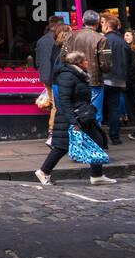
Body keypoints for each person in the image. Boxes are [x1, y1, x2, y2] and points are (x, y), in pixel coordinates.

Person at [36, 50, 115, 186]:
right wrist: (73, 121)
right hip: (72, 116)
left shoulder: (79, 75)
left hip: (83, 115)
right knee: (61, 146)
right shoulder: (68, 76)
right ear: (78, 63)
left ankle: (97, 175)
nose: (87, 63)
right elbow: (65, 100)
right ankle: (43, 172)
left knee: (97, 140)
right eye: (85, 61)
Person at [67, 10, 106, 126]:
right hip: (94, 80)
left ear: (83, 21)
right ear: (98, 22)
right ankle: (94, 141)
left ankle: (80, 141)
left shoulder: (71, 36)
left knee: (77, 112)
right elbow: (106, 64)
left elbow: (63, 58)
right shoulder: (101, 38)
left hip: (73, 80)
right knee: (95, 113)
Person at [101, 13, 131, 145]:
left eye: (103, 24)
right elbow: (128, 61)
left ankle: (99, 138)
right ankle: (115, 136)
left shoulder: (104, 40)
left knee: (97, 108)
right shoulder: (123, 42)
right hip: (119, 79)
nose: (101, 26)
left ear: (107, 25)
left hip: (105, 77)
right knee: (114, 109)